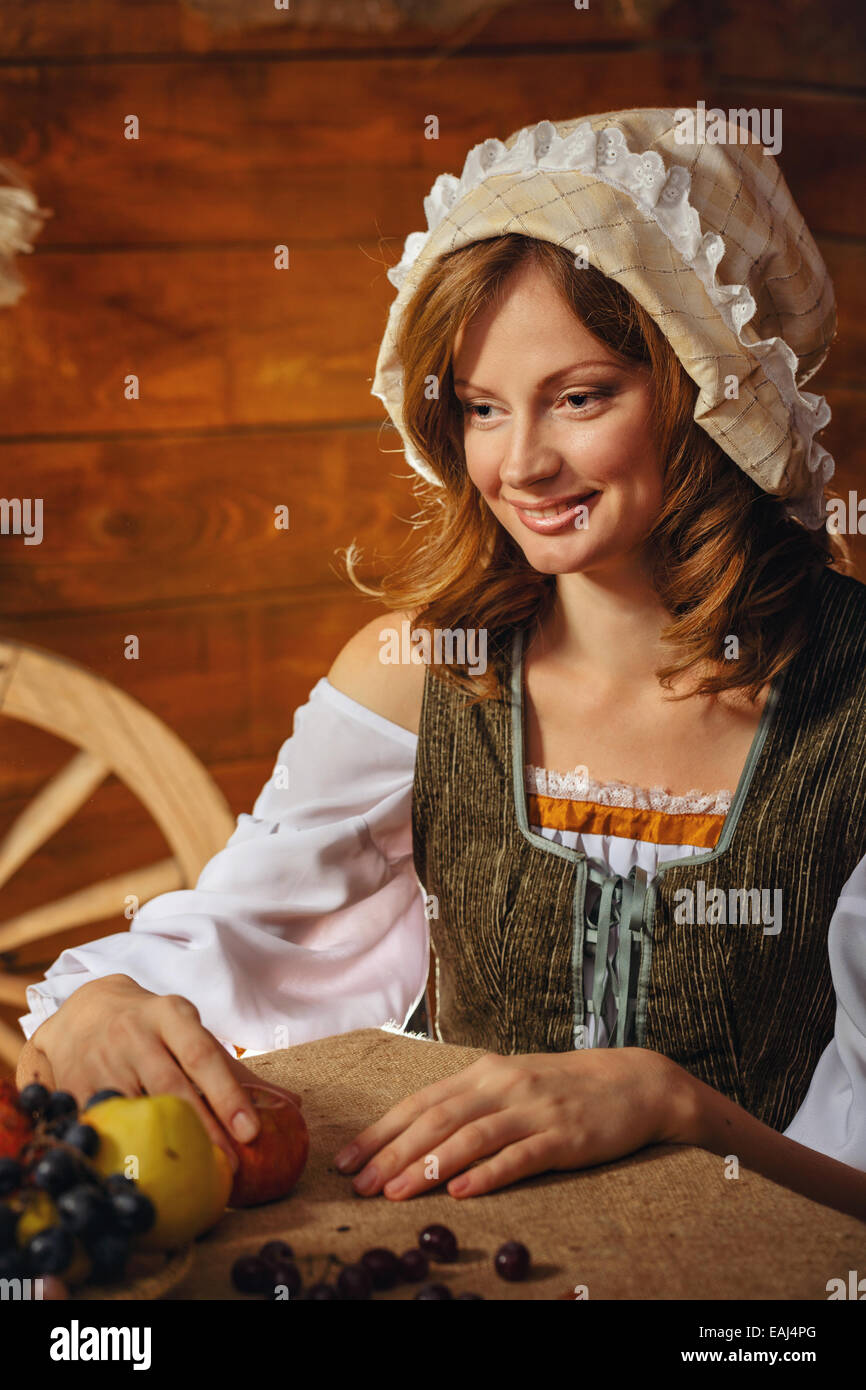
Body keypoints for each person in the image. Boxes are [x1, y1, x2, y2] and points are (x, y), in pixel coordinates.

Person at [16, 110, 866, 1220]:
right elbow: (234, 929)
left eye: (580, 395)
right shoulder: (418, 674)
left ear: (707, 389)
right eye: (478, 408)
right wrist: (105, 999)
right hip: (464, 1263)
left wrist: (679, 1107)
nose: (520, 462)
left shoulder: (845, 700)